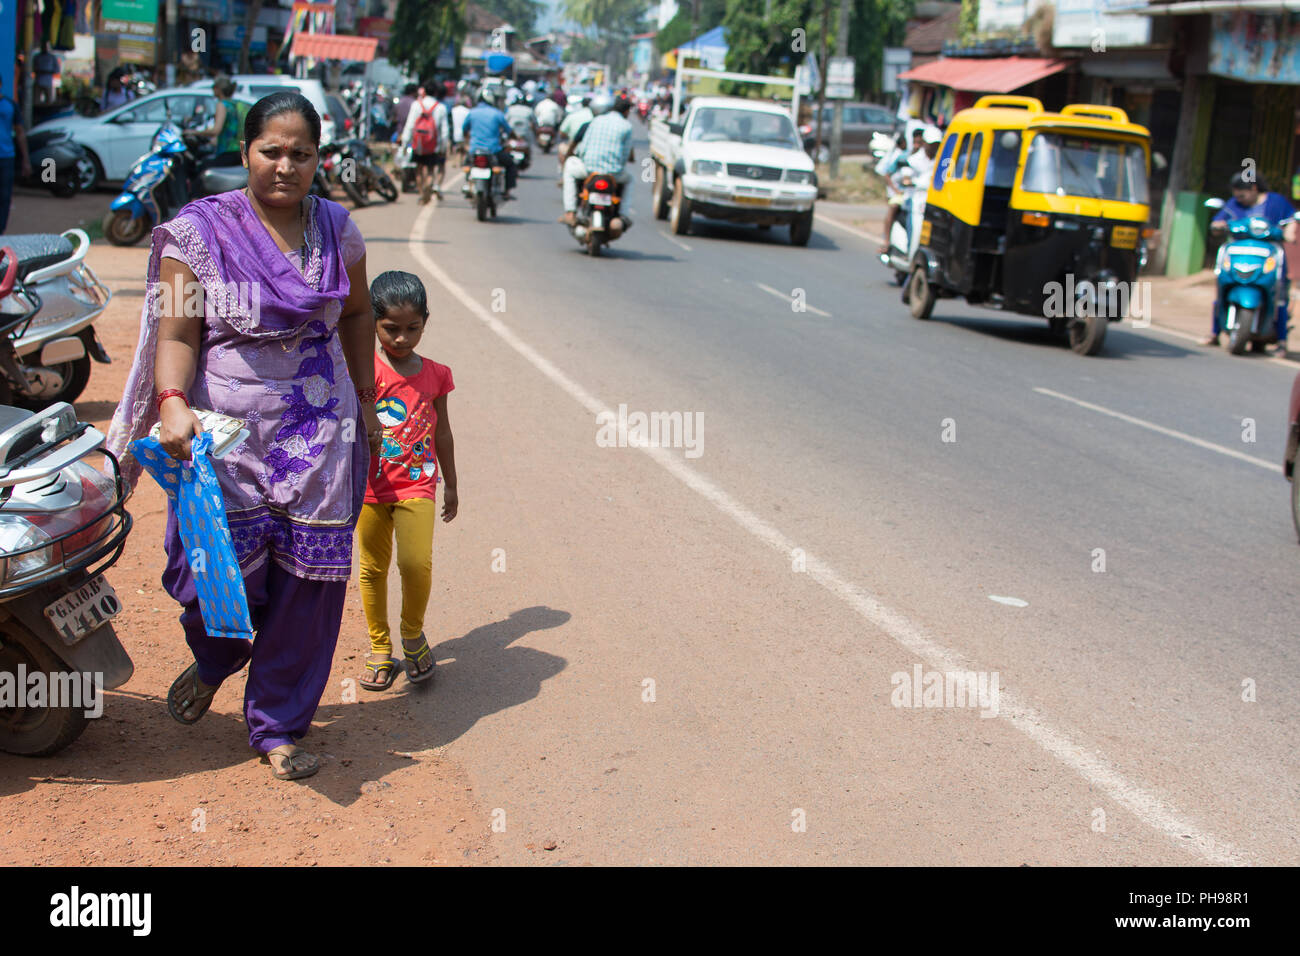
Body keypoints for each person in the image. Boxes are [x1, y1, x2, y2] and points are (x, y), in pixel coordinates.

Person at [105, 91, 384, 782]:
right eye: (272, 151)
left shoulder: (340, 230)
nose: (286, 166)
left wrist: (368, 397)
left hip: (320, 433)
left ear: (319, 158)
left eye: (302, 154)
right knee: (216, 575)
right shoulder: (199, 234)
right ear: (245, 151)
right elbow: (176, 331)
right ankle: (217, 658)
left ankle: (278, 725)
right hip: (222, 438)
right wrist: (171, 401)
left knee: (306, 585)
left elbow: (356, 314)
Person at [356, 271, 458, 691]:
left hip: (418, 485)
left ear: (425, 323)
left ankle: (412, 635)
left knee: (415, 563)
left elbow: (443, 432)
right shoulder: (363, 372)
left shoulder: (436, 374)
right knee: (372, 568)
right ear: (373, 324)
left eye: (411, 329)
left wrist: (452, 483)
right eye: (390, 329)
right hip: (368, 487)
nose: (401, 339)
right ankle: (380, 649)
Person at [1202, 171, 1297, 353]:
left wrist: (1290, 232)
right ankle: (1214, 333)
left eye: (1242, 195)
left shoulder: (1276, 202)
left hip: (1267, 255)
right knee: (1223, 284)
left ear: (1253, 188)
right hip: (1239, 253)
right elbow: (1219, 222)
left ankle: (1282, 341)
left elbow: (1291, 221)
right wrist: (1217, 226)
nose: (1240, 199)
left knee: (1280, 296)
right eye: (1237, 195)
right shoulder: (1233, 204)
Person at [561, 93, 634, 232]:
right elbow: (625, 155)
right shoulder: (626, 126)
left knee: (570, 166)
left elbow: (583, 147)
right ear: (626, 111)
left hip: (589, 169)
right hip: (613, 173)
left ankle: (570, 211)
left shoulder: (596, 120)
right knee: (630, 179)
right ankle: (623, 215)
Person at [462, 87, 516, 200]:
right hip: (494, 151)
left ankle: (468, 184)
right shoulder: (497, 114)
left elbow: (464, 130)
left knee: (466, 164)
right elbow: (509, 131)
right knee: (510, 164)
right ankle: (507, 191)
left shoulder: (472, 113)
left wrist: (468, 141)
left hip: (475, 150)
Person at [399, 85, 450, 203]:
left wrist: (405, 144)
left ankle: (422, 193)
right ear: (436, 92)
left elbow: (410, 125)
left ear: (424, 92)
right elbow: (444, 131)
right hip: (433, 145)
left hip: (418, 144)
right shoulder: (440, 107)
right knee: (431, 170)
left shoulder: (417, 105)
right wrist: (443, 147)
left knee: (419, 170)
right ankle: (429, 186)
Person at [0, 74, 31, 234]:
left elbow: (20, 133)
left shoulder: (10, 105)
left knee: (4, 197)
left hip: (6, 157)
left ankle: (1, 230)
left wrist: (25, 160)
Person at [200, 76, 247, 169]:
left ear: (218, 89)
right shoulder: (234, 104)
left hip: (226, 151)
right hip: (238, 151)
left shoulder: (222, 105)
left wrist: (195, 133)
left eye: (213, 87)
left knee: (203, 169)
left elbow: (216, 130)